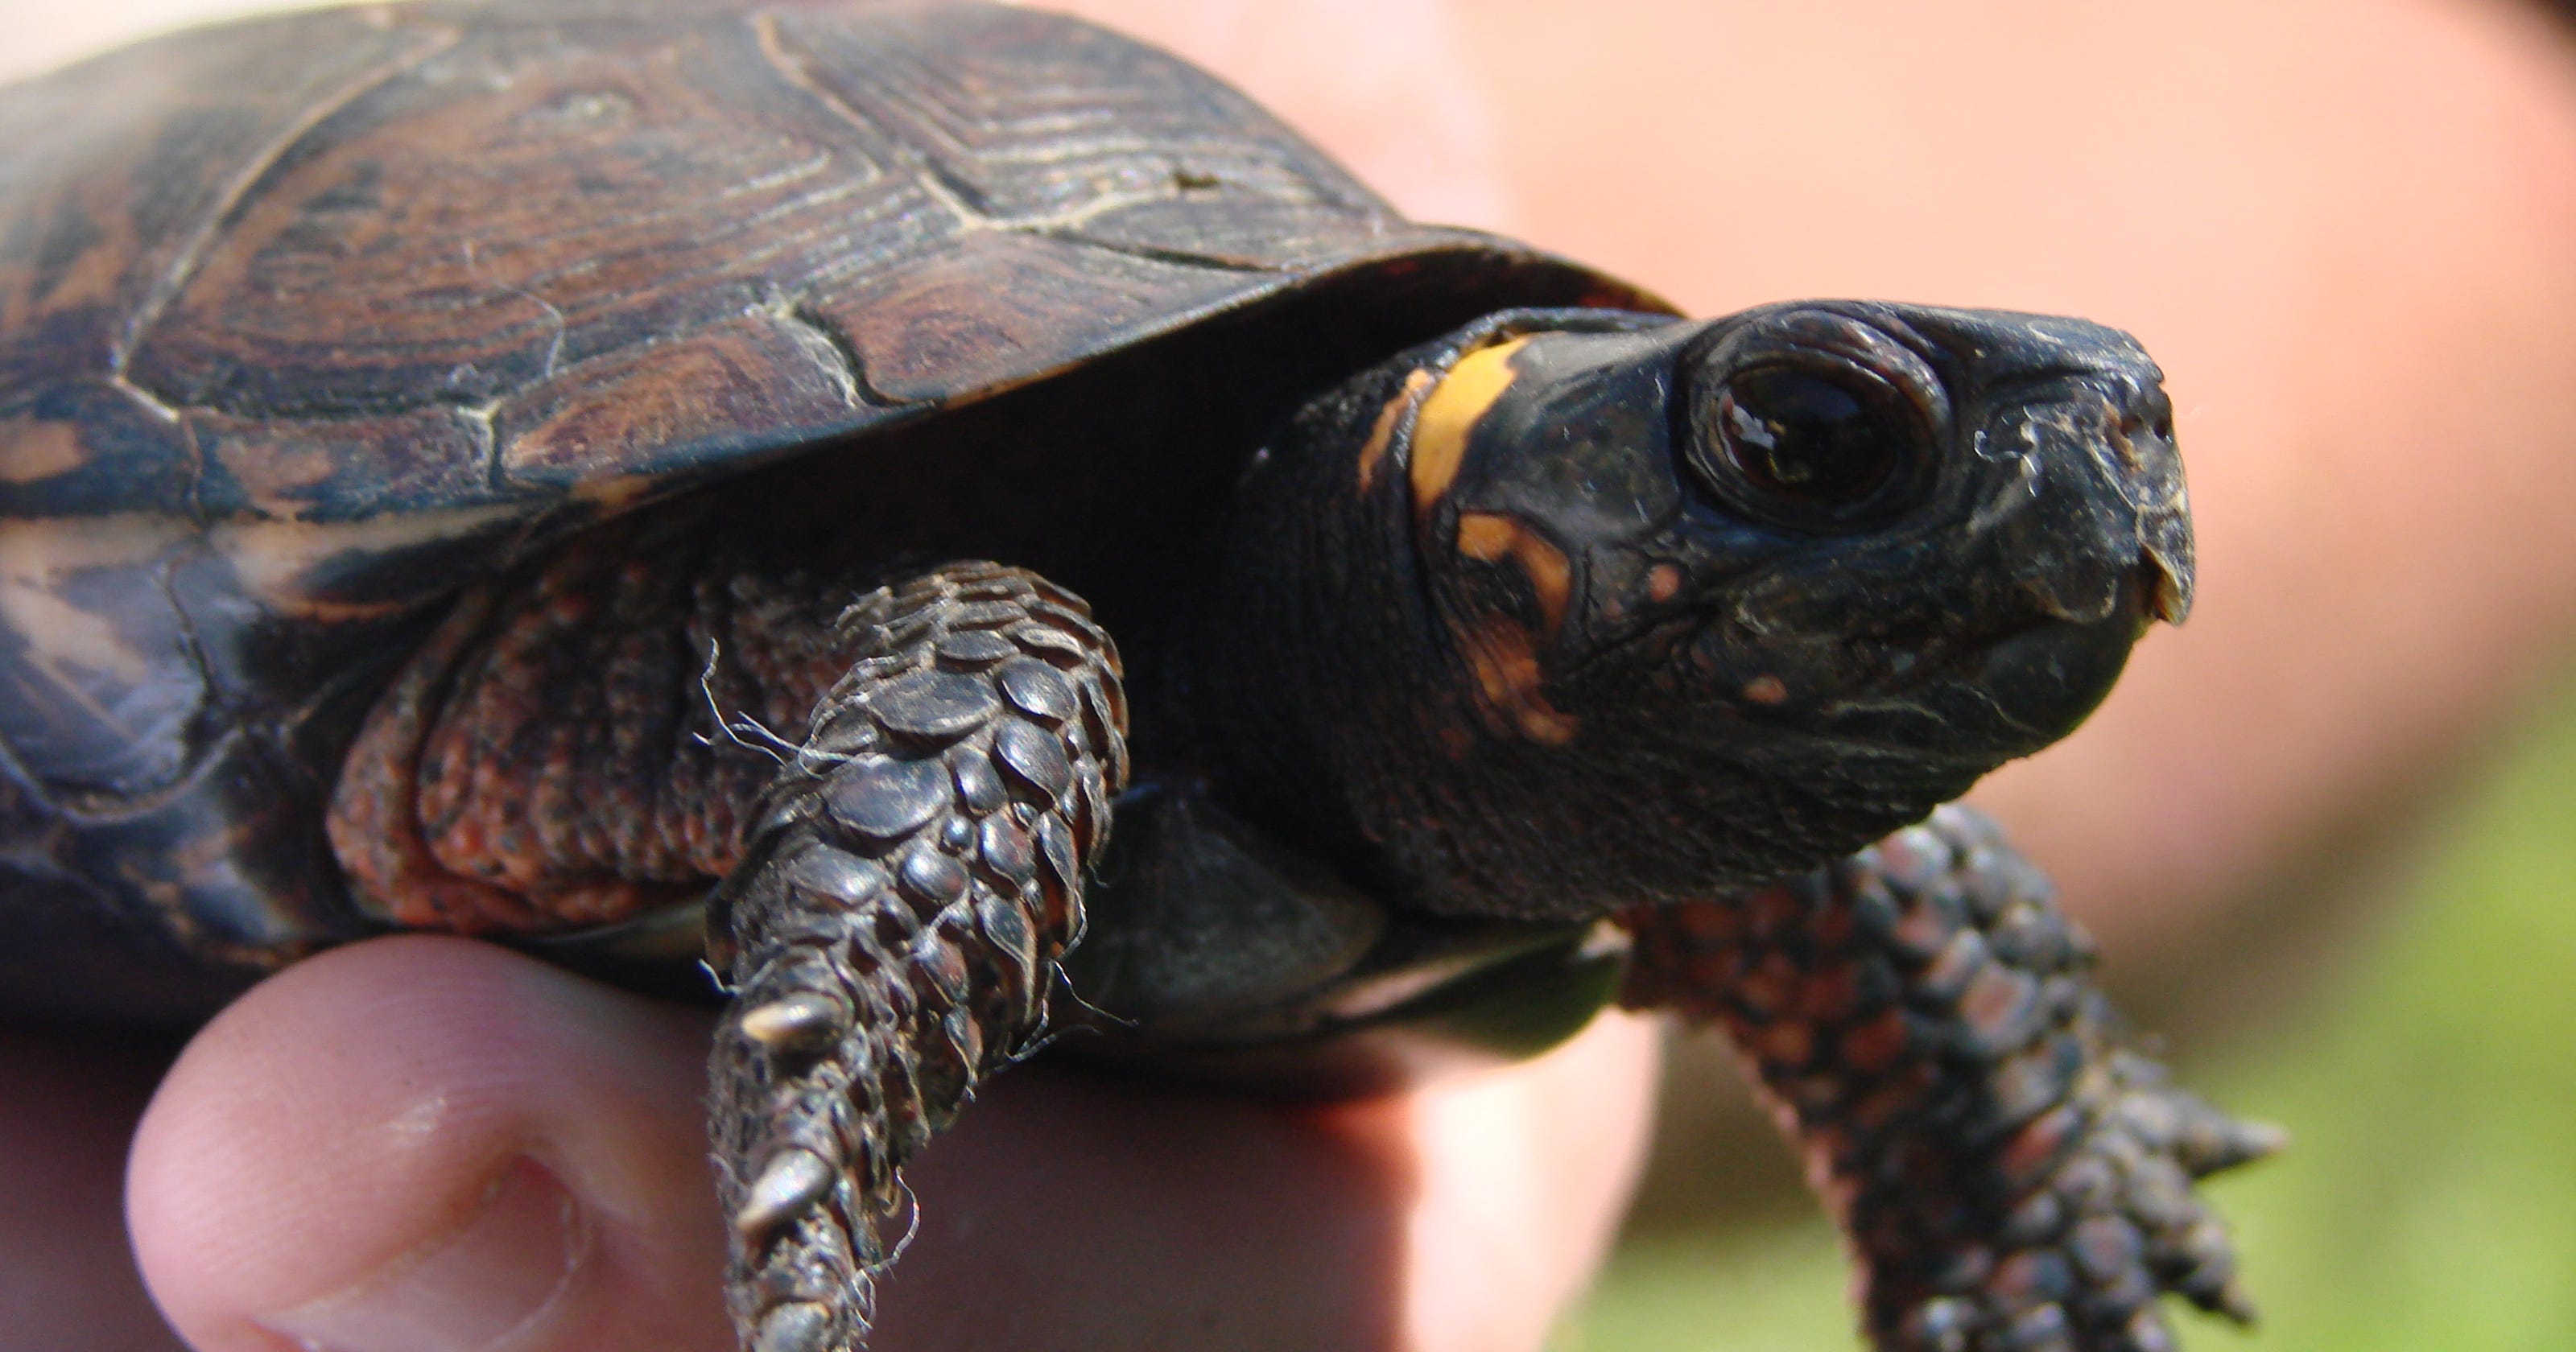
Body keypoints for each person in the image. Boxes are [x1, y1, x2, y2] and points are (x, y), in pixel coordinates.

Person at [8, 0, 2576, 1348]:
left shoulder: (1588, 774)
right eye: (1812, 440)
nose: (2090, 477)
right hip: (214, 441)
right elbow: (968, 668)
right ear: (1466, 498)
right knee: (1002, 669)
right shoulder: (993, 650)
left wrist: (2017, 1212)